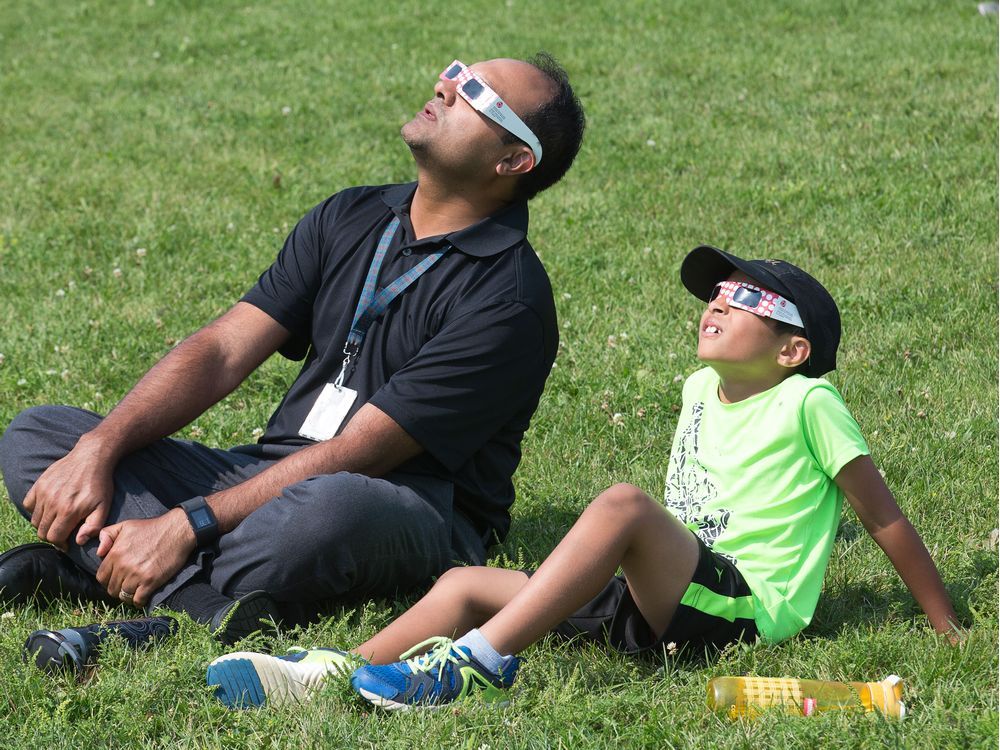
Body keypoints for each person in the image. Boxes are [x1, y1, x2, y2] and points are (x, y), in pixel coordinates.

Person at [205, 246, 961, 708]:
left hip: (743, 611)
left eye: (750, 299)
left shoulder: (811, 401)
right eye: (717, 292)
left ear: (794, 350)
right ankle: (341, 672)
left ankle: (477, 666)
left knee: (624, 506)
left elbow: (882, 516)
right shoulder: (700, 388)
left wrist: (944, 623)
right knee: (466, 582)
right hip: (669, 599)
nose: (720, 302)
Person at [0, 54, 586, 643]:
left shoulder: (509, 301)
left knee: (317, 519)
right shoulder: (350, 215)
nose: (446, 86)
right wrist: (98, 450)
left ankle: (105, 570)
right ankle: (198, 598)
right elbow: (223, 348)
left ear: (513, 160)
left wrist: (187, 522)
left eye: (477, 92)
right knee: (41, 437)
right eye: (456, 72)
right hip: (271, 470)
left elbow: (361, 452)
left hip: (401, 500)